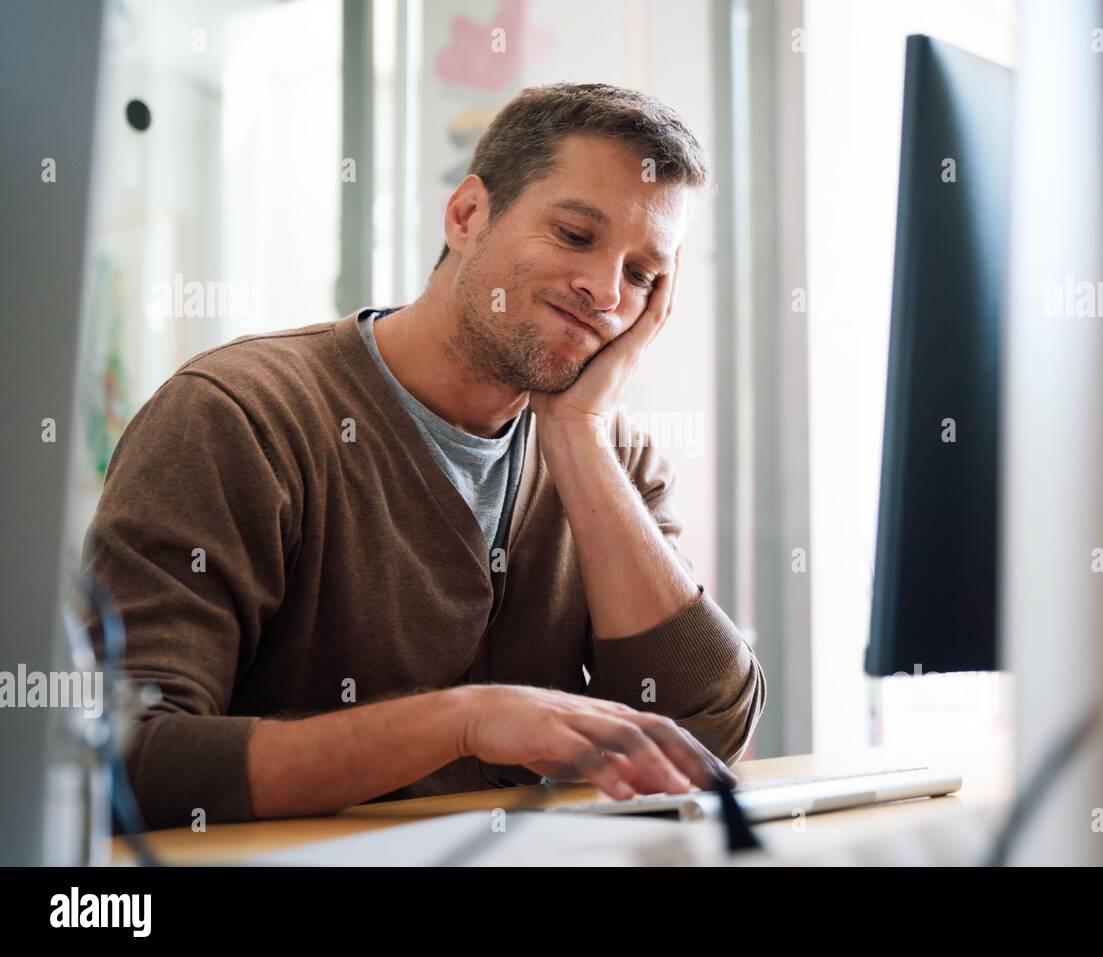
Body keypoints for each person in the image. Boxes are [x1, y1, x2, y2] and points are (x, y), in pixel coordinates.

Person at [84, 82, 765, 829]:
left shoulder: (612, 452)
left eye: (641, 275)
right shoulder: (236, 415)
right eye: (575, 235)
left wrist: (576, 433)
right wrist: (463, 720)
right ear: (468, 214)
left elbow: (704, 736)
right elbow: (125, 762)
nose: (604, 290)